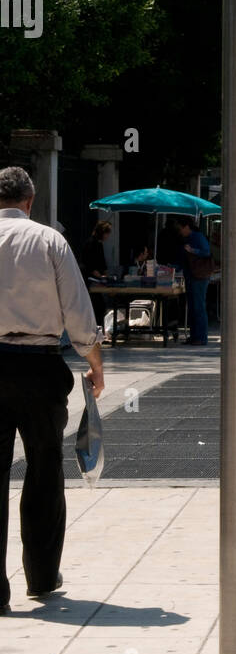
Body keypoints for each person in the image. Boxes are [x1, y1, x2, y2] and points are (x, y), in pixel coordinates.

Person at [0, 166, 104, 614]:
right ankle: (41, 575)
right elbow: (78, 308)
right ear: (31, 198)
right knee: (44, 470)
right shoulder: (49, 240)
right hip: (40, 368)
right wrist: (94, 361)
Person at [176, 216, 211, 346]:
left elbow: (206, 252)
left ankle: (201, 337)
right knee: (192, 307)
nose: (179, 231)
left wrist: (192, 250)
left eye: (180, 228)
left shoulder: (198, 237)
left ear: (186, 227)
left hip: (199, 277)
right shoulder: (186, 238)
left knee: (198, 306)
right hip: (190, 276)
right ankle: (194, 335)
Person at [81, 221, 112, 328]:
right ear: (102, 232)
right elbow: (89, 264)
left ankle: (98, 331)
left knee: (100, 307)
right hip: (90, 280)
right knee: (97, 306)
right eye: (107, 233)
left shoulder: (99, 244)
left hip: (97, 280)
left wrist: (106, 276)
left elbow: (102, 264)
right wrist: (100, 276)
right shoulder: (90, 244)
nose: (108, 236)